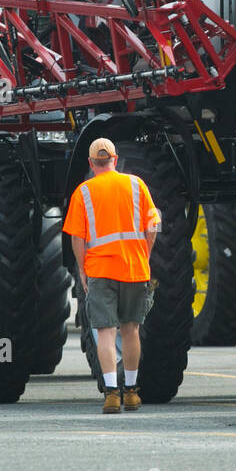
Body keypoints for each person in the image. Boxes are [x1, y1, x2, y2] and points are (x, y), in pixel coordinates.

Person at [62, 137, 160, 413]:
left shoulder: (83, 192)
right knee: (131, 330)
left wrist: (82, 269)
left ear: (92, 164)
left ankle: (111, 394)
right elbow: (152, 227)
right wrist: (145, 256)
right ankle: (131, 391)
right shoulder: (136, 185)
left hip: (101, 271)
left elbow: (77, 238)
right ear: (115, 160)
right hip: (134, 268)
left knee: (105, 332)